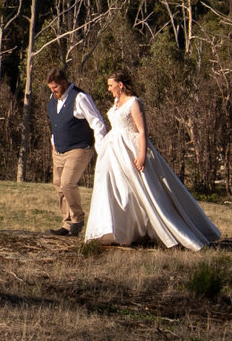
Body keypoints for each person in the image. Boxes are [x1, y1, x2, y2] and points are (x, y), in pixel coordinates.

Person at [84, 71, 221, 250]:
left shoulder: (134, 102)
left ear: (121, 85)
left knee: (144, 189)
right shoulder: (117, 102)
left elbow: (142, 130)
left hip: (130, 148)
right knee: (117, 189)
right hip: (113, 150)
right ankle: (118, 230)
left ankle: (164, 228)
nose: (109, 89)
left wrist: (141, 155)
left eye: (111, 85)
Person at [44, 71, 108, 234]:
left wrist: (101, 147)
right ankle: (67, 224)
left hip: (79, 147)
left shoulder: (80, 98)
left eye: (56, 87)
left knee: (67, 183)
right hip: (58, 149)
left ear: (64, 83)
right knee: (58, 185)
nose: (53, 91)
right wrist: (53, 142)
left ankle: (78, 220)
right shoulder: (53, 98)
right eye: (51, 88)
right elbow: (56, 123)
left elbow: (97, 122)